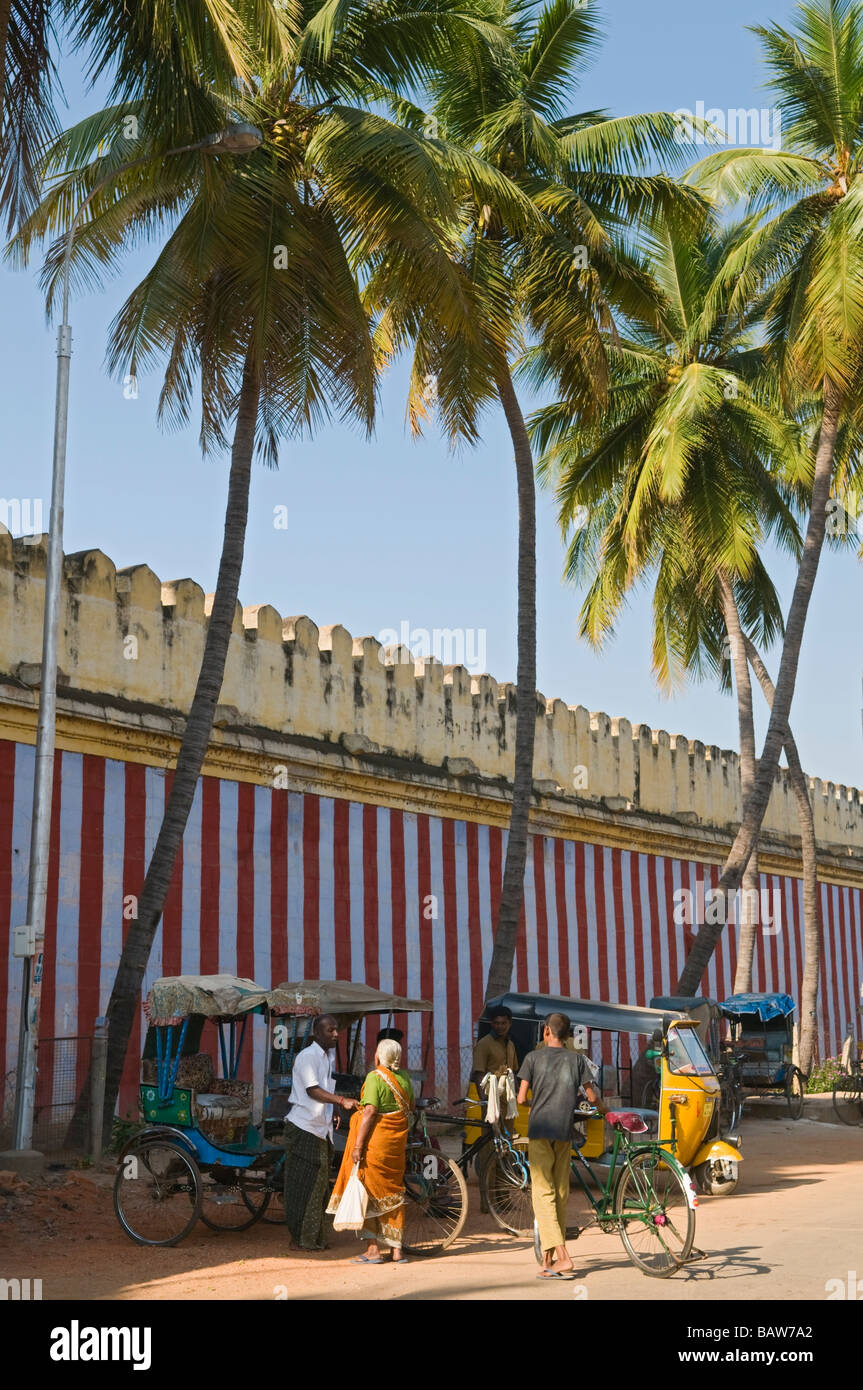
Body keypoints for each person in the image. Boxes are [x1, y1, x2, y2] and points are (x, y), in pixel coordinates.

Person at [516, 1012, 605, 1280]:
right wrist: (605, 1110)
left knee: (543, 1193)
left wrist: (538, 1105)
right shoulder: (577, 1059)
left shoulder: (533, 1057)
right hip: (564, 1130)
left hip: (540, 1129)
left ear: (546, 1032)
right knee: (560, 1192)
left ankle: (564, 1256)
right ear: (567, 1036)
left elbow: (521, 1098)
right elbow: (591, 1096)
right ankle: (548, 1259)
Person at [327, 1037, 415, 1264]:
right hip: (395, 1146)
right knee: (393, 1193)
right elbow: (409, 1109)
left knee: (369, 1190)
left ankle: (373, 1250)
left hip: (375, 1146)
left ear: (378, 1057)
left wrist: (357, 1146)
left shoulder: (375, 1078)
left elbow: (369, 1113)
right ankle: (397, 1251)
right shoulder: (404, 1078)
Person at [283, 1014, 358, 1251]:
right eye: (330, 1030)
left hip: (319, 1128)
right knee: (305, 1185)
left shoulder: (327, 1057)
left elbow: (323, 1090)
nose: (336, 1034)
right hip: (304, 1127)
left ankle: (314, 1238)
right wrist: (341, 1100)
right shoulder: (308, 1057)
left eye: (336, 1030)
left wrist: (333, 1108)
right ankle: (300, 1239)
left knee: (319, 1185)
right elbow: (313, 1090)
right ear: (317, 1033)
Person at [471, 1006, 518, 1091]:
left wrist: (517, 1093)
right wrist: (484, 1101)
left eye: (503, 1023)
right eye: (496, 1023)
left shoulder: (511, 1045)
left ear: (510, 1023)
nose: (500, 1026)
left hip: (508, 1098)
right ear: (491, 1023)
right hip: (491, 1096)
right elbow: (479, 1075)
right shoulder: (484, 1044)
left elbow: (512, 1073)